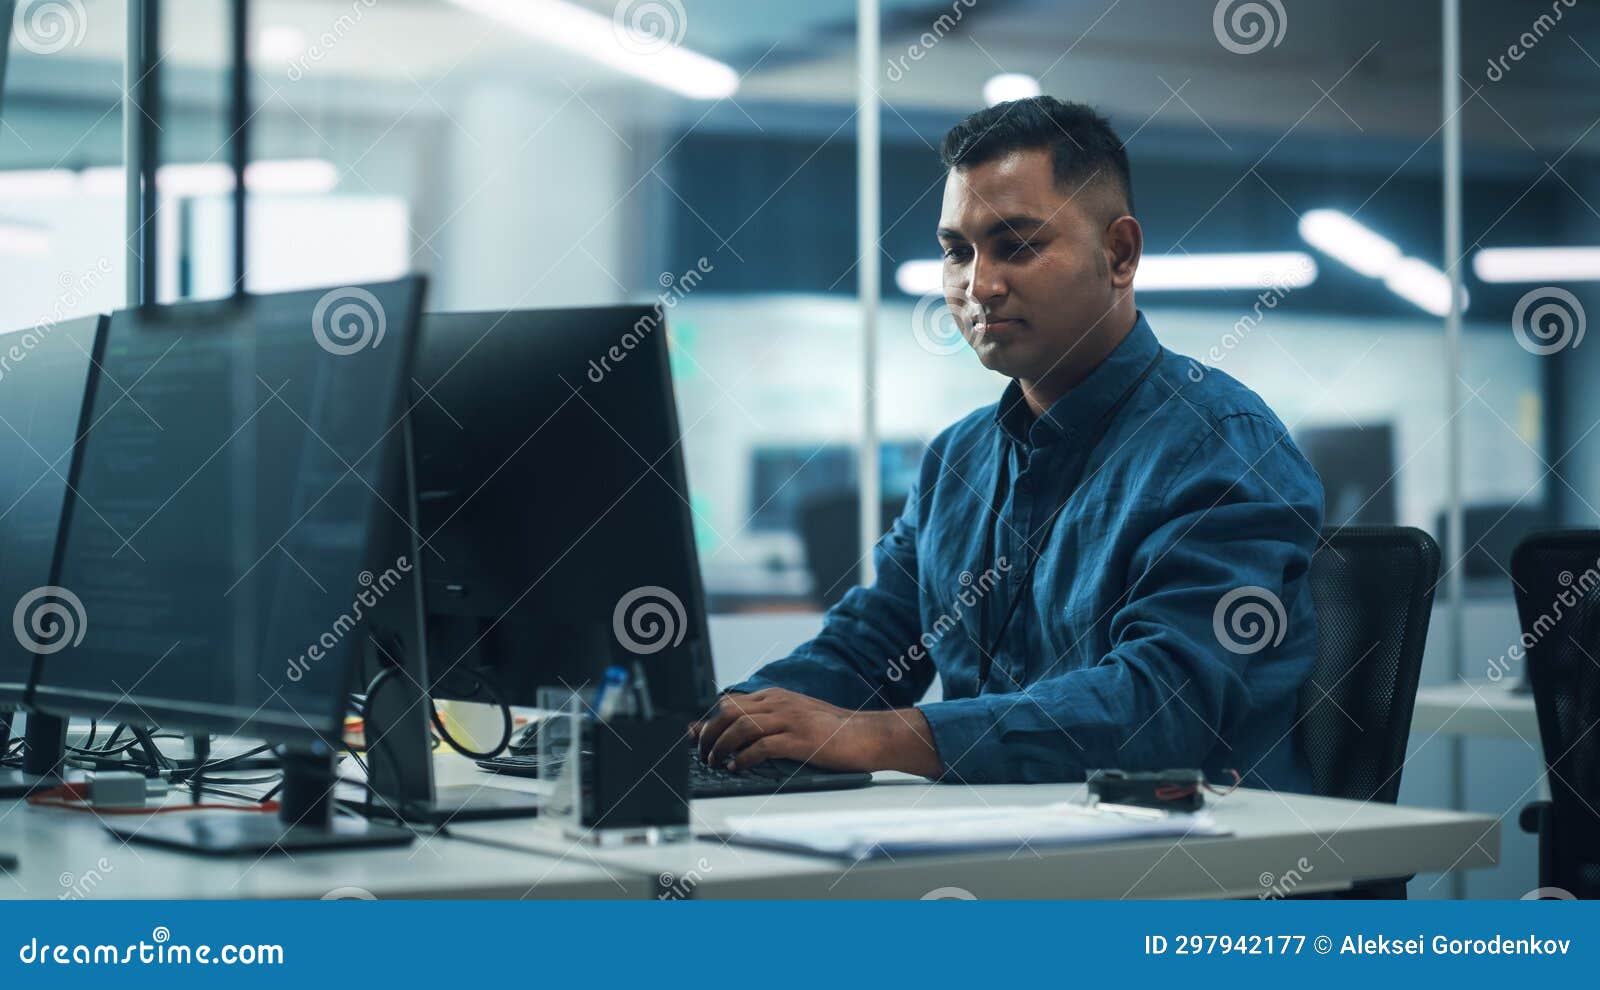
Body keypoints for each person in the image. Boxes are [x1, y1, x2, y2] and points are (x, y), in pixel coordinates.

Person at [693, 96, 1324, 790]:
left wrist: (875, 735)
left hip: (1191, 876)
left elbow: (1163, 706)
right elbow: (864, 652)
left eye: (1017, 245)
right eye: (956, 252)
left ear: (1119, 254)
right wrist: (712, 725)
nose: (978, 286)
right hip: (999, 856)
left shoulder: (1222, 445)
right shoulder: (956, 462)